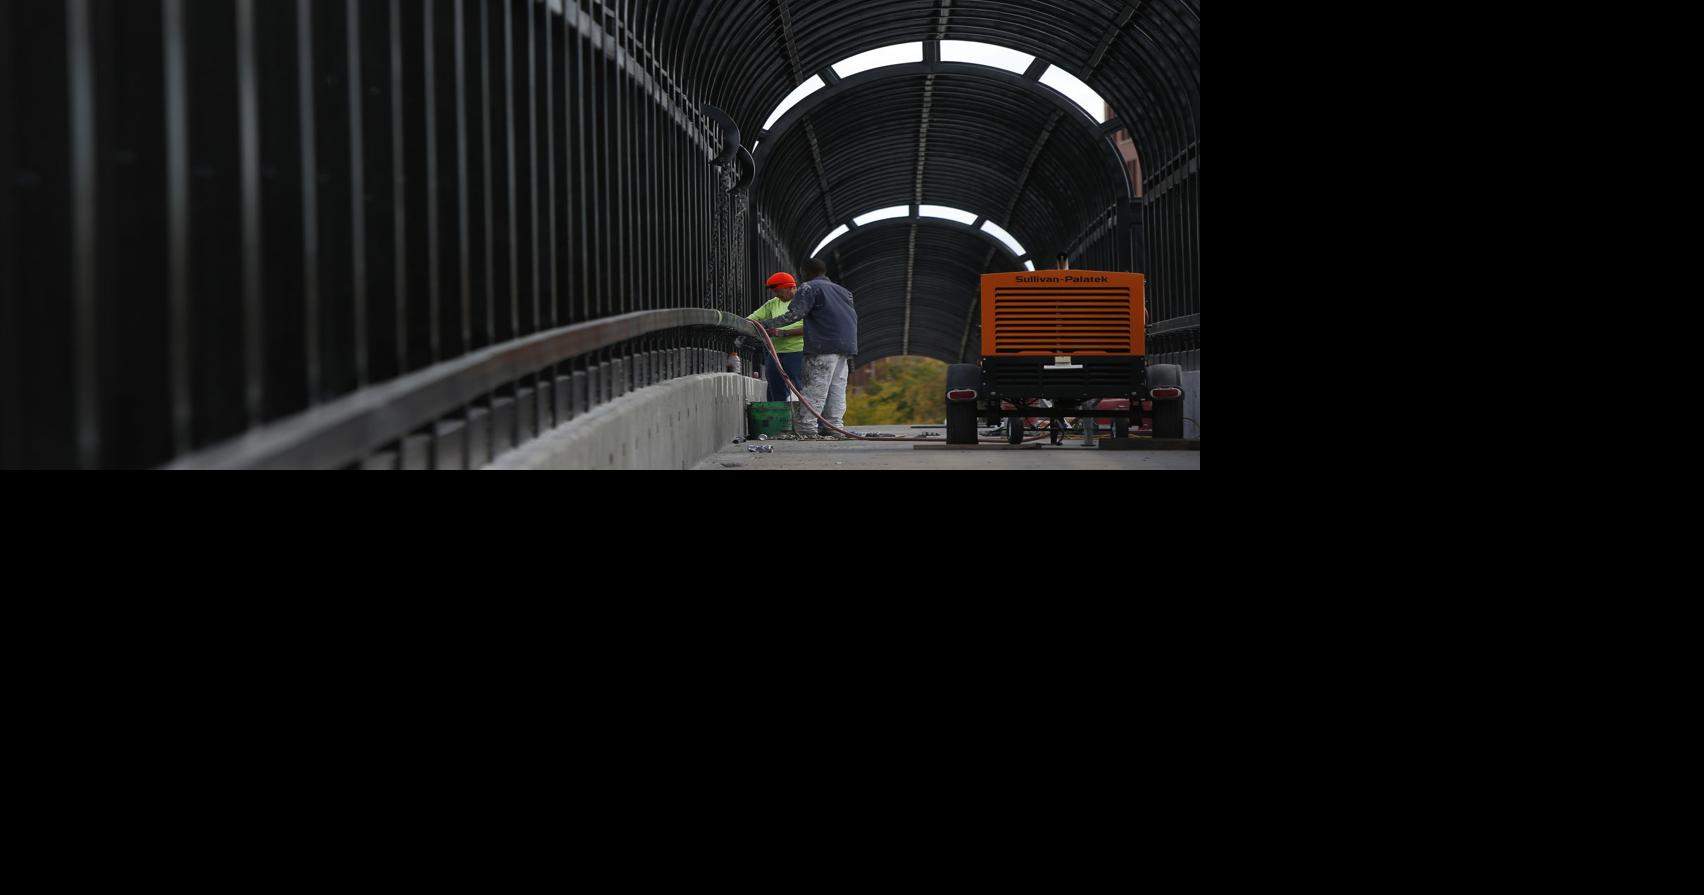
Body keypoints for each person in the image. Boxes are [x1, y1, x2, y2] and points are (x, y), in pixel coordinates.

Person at [762, 258, 858, 440]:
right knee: (836, 388)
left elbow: (794, 314)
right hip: (845, 345)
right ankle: (835, 427)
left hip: (823, 345)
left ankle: (806, 428)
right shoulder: (843, 291)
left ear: (804, 272)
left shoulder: (809, 288)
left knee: (815, 387)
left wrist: (765, 325)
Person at [747, 272, 806, 403]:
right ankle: (779, 419)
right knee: (774, 388)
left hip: (798, 352)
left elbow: (810, 329)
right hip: (774, 353)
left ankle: (815, 422)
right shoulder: (773, 303)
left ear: (791, 287)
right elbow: (753, 319)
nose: (776, 295)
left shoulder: (804, 302)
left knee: (804, 389)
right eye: (775, 292)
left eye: (779, 291)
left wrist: (782, 333)